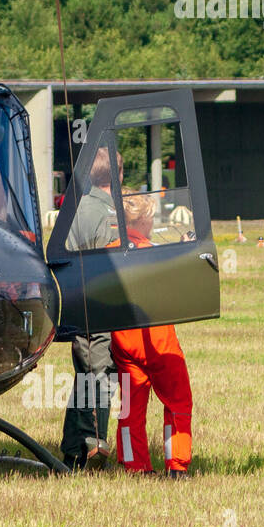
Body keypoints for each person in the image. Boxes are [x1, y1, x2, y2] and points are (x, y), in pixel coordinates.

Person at [108, 191, 193, 478]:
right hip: (158, 341)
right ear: (143, 220)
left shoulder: (109, 251)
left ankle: (134, 466)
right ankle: (176, 466)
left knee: (131, 408)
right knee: (177, 401)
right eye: (152, 218)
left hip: (124, 341)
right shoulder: (154, 252)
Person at [59, 145, 122, 470]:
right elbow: (113, 266)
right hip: (102, 309)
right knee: (101, 377)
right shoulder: (110, 215)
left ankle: (72, 449)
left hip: (76, 305)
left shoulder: (74, 210)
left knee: (84, 375)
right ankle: (92, 448)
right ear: (117, 175)